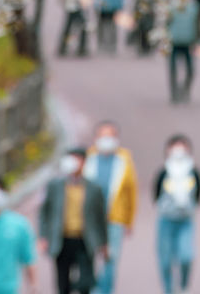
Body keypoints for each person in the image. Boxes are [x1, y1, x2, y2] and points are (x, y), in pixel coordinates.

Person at [40, 149, 109, 294]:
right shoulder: (55, 186)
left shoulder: (94, 188)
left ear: (84, 162)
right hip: (62, 239)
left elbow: (100, 217)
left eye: (77, 159)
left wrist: (104, 243)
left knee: (86, 281)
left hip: (84, 239)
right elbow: (45, 212)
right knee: (62, 281)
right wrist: (43, 236)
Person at [84, 123, 138, 294]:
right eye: (103, 136)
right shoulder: (87, 158)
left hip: (115, 217)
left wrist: (129, 220)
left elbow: (131, 192)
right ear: (96, 138)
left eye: (110, 136)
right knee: (89, 255)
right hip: (91, 218)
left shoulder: (125, 159)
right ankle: (92, 286)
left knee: (111, 258)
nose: (106, 140)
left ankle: (104, 291)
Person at [153, 135, 200, 294]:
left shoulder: (193, 172)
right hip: (166, 221)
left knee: (186, 256)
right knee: (165, 260)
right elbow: (156, 194)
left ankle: (183, 286)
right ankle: (168, 290)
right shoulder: (164, 172)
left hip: (185, 221)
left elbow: (198, 194)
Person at [167, 0, 200, 104]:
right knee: (173, 70)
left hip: (188, 41)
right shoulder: (171, 7)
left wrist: (196, 41)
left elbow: (197, 24)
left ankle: (185, 90)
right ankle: (174, 93)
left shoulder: (193, 7)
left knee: (190, 70)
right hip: (174, 41)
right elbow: (165, 22)